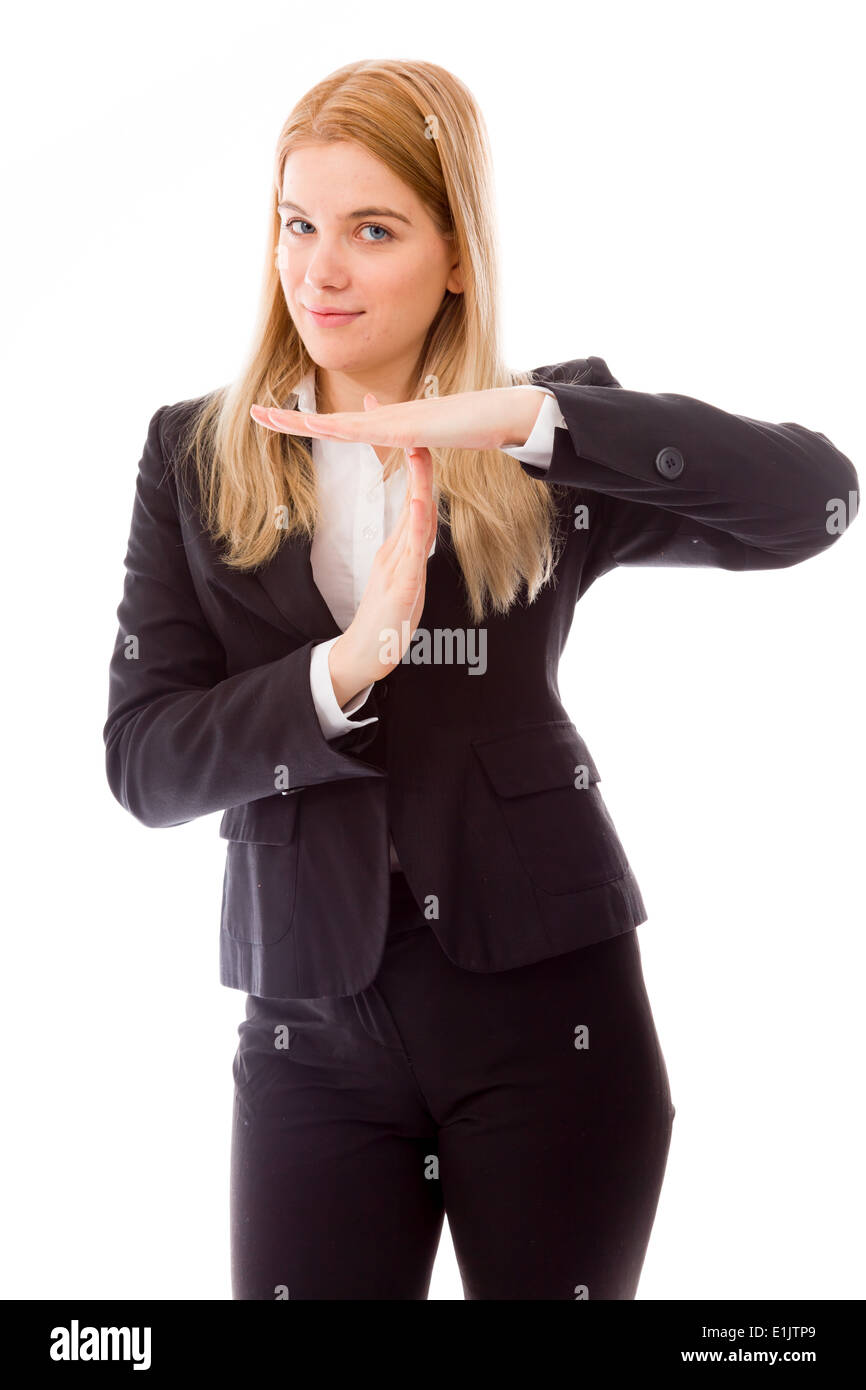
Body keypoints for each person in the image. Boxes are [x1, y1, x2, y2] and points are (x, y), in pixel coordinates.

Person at [104, 59, 859, 1300]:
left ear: (456, 255)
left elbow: (813, 501)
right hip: (307, 1027)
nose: (319, 270)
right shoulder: (192, 453)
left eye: (372, 230)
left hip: (549, 1012)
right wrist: (338, 669)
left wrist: (530, 423)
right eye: (297, 224)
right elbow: (143, 761)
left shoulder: (544, 436)